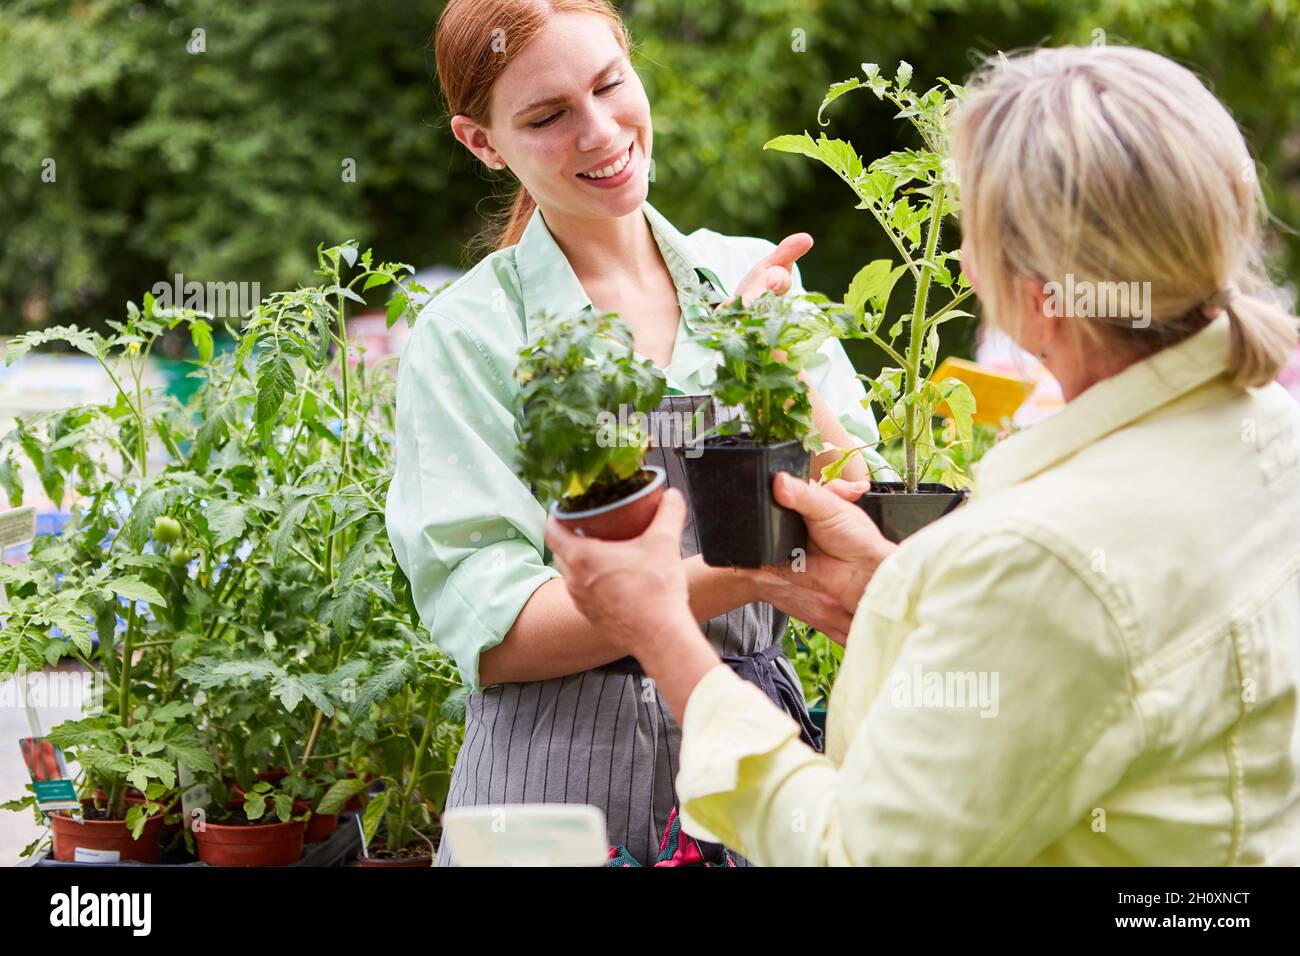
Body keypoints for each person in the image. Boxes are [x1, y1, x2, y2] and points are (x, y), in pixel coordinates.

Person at [547, 44, 1300, 865]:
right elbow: (1090, 685)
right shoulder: (1269, 434)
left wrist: (661, 630)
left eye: (973, 231)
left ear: (1035, 293)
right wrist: (895, 590)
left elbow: (859, 853)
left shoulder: (1044, 557)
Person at [386, 0, 889, 866]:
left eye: (610, 85)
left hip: (753, 763)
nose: (598, 131)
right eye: (547, 117)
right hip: (548, 792)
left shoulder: (751, 277)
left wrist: (779, 367)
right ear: (482, 142)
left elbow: (866, 517)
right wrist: (752, 573)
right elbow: (500, 633)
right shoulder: (467, 334)